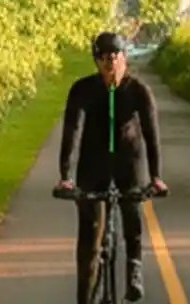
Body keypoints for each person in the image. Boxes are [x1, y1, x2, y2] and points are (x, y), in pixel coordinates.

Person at [55, 31, 168, 303]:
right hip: (93, 165)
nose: (110, 64)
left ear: (124, 58)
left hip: (129, 161)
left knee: (132, 210)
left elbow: (152, 135)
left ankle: (134, 269)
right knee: (89, 238)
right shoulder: (83, 90)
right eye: (104, 58)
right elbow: (72, 131)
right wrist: (66, 177)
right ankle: (84, 295)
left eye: (115, 57)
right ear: (96, 62)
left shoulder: (139, 91)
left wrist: (156, 177)